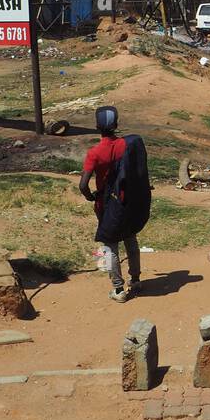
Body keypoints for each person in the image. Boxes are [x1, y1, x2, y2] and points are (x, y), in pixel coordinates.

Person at [80, 105, 141, 302]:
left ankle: (118, 290)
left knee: (110, 244)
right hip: (127, 200)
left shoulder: (95, 153)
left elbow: (83, 185)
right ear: (116, 125)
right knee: (130, 239)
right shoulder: (126, 145)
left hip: (107, 203)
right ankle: (136, 280)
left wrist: (91, 196)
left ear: (97, 126)